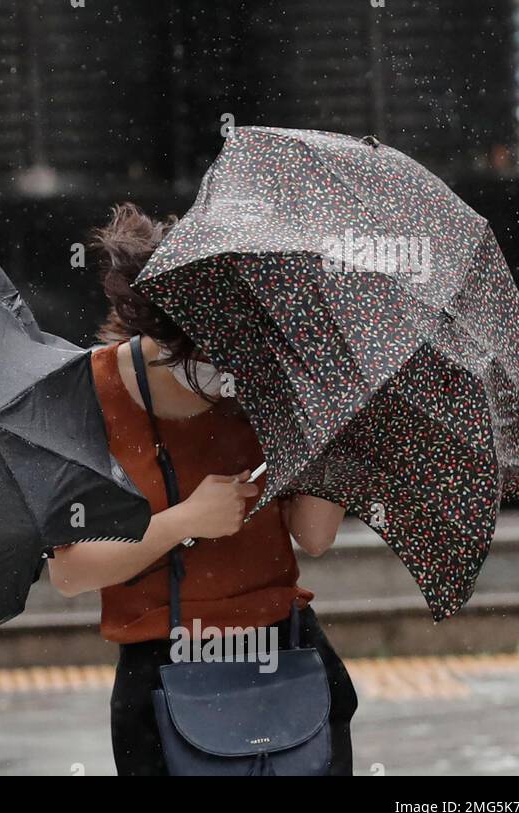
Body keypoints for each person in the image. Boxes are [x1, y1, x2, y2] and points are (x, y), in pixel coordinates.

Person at [46, 203, 358, 776]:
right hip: (162, 677)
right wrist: (184, 521)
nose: (219, 367)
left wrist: (331, 420)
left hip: (283, 659)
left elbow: (314, 536)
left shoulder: (268, 376)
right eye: (199, 351)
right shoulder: (92, 389)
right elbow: (69, 572)